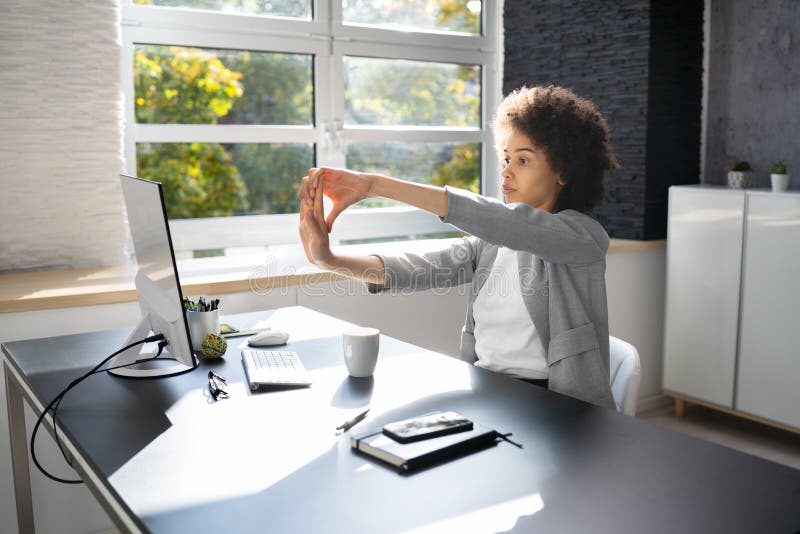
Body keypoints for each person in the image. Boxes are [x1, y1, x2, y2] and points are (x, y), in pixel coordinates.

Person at [298, 85, 619, 409]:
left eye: (523, 160)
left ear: (564, 171)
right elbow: (419, 268)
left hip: (555, 407)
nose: (506, 170)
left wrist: (374, 186)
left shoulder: (581, 237)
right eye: (507, 158)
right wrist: (329, 259)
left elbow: (501, 221)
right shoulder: (490, 245)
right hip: (486, 393)